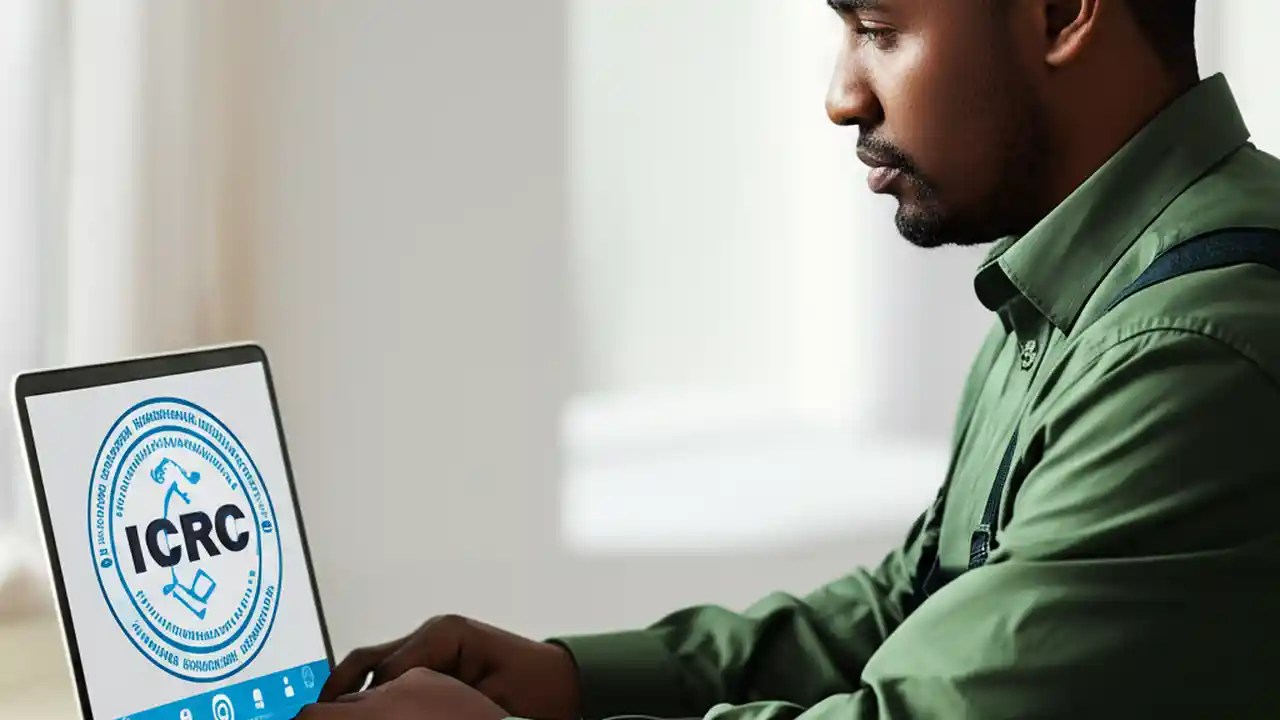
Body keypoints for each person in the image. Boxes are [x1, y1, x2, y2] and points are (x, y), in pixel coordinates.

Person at [298, 0, 1280, 717]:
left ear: (1063, 13)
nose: (838, 96)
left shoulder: (1189, 352)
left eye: (879, 29)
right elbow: (914, 606)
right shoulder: (1081, 289)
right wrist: (570, 680)